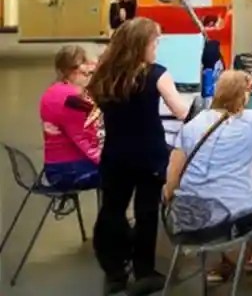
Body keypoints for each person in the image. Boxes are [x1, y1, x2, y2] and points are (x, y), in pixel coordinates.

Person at [166, 71, 252, 279]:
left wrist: (169, 197)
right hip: (223, 216)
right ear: (245, 96)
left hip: (187, 214)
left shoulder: (194, 123)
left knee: (236, 190)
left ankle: (236, 257)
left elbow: (173, 173)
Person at [87, 18, 191, 295]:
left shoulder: (105, 73)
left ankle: (114, 272)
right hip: (149, 154)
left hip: (116, 154)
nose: (157, 48)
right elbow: (183, 113)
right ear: (141, 45)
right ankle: (144, 272)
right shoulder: (157, 74)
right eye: (154, 42)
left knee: (112, 210)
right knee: (146, 212)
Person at [40, 45, 101, 191]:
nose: (91, 79)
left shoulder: (52, 91)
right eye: (88, 74)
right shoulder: (72, 100)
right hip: (71, 170)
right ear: (73, 72)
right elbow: (85, 140)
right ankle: (113, 214)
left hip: (55, 166)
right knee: (128, 172)